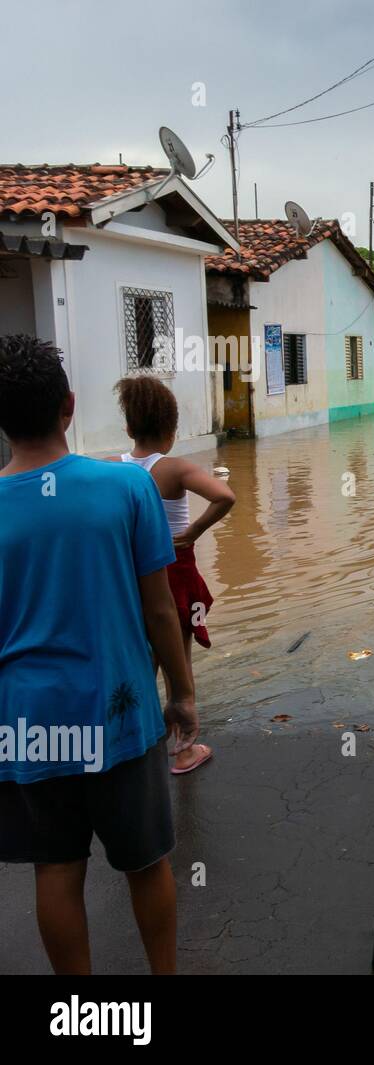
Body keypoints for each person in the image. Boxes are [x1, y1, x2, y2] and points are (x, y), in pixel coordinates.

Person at [0, 334, 198, 974]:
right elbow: (161, 609)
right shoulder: (125, 488)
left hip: (29, 720)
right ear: (70, 405)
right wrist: (183, 694)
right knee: (146, 863)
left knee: (56, 867)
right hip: (118, 710)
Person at [108, 376, 235, 774]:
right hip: (174, 574)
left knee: (143, 659)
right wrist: (194, 531)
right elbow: (225, 496)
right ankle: (183, 750)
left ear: (128, 428)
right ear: (172, 430)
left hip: (131, 577)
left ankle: (129, 745)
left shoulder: (113, 469)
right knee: (179, 659)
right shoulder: (176, 468)